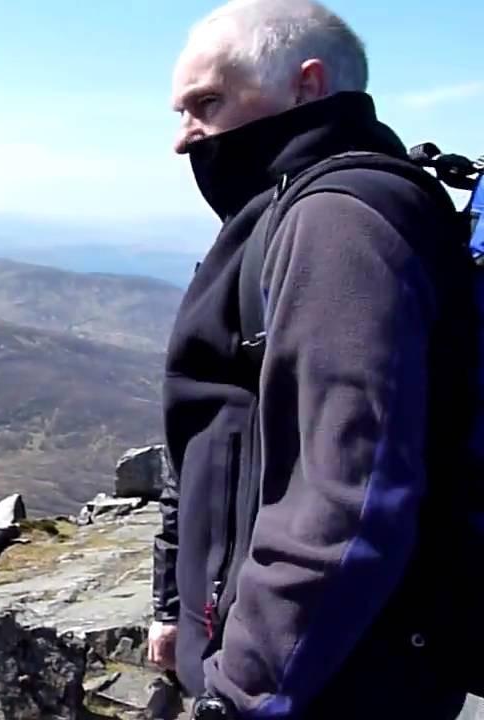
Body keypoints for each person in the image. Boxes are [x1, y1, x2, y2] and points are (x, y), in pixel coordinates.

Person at [153, 0, 477, 717]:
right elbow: (218, 432)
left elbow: (350, 497)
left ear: (307, 86)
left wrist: (244, 692)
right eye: (180, 112)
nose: (185, 139)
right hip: (293, 661)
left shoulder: (337, 221)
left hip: (339, 682)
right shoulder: (281, 210)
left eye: (208, 102)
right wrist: (177, 606)